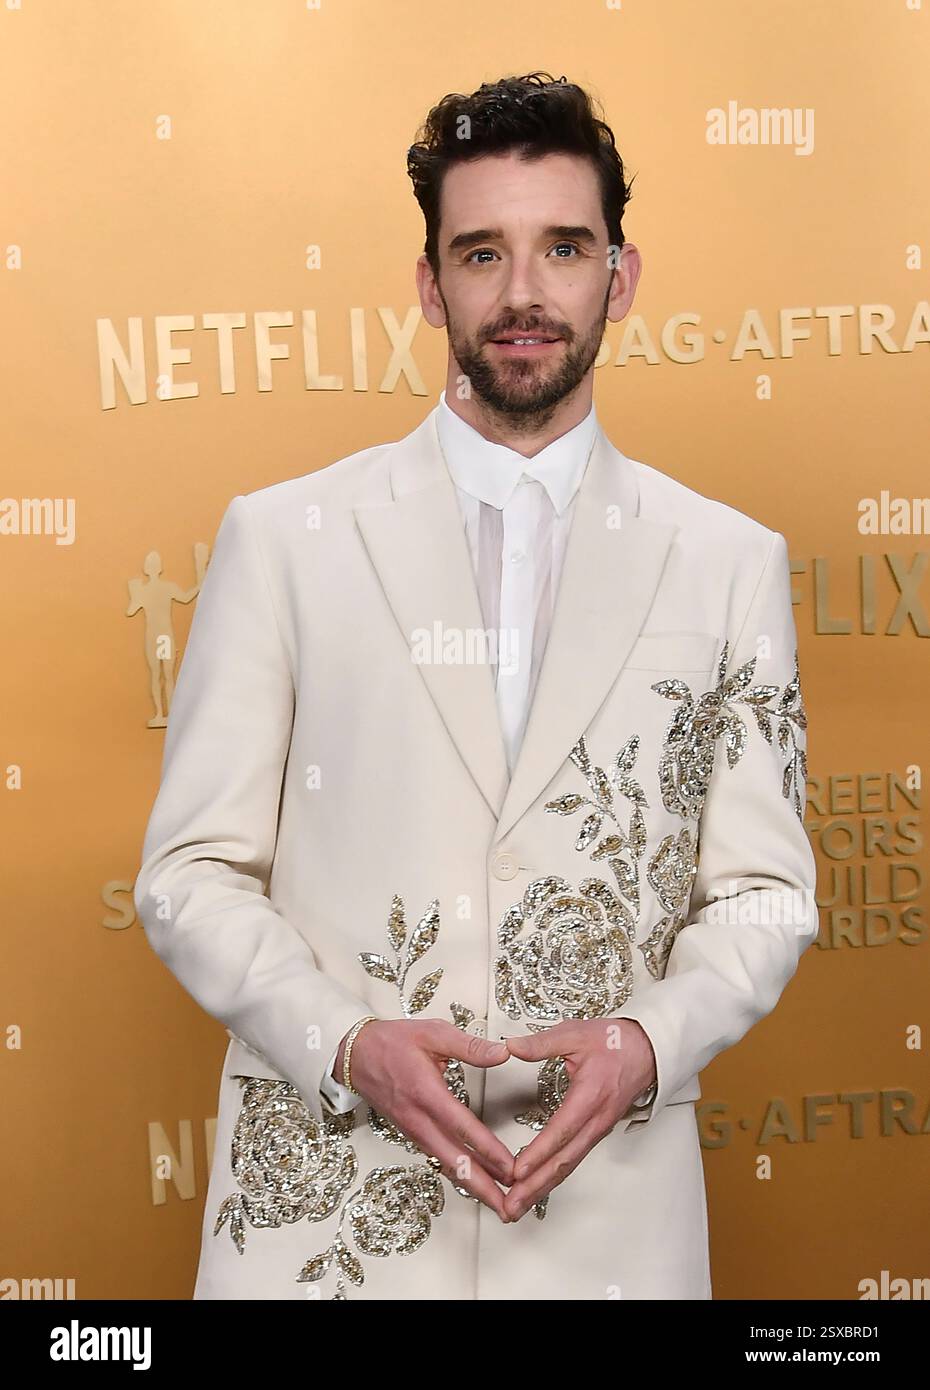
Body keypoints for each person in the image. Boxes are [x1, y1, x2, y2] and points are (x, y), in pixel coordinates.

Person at [134, 71, 817, 1301]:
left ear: (621, 275)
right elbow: (187, 875)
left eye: (564, 248)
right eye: (480, 253)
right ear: (429, 282)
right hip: (324, 1233)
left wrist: (649, 1044)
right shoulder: (285, 538)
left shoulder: (726, 563)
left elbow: (767, 892)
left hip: (610, 1229)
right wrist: (344, 1043)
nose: (523, 295)